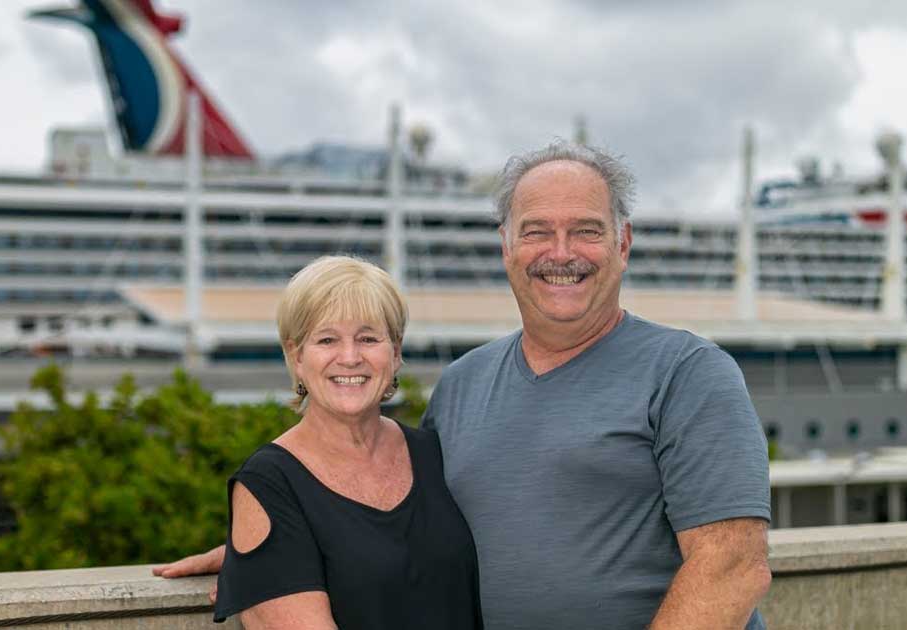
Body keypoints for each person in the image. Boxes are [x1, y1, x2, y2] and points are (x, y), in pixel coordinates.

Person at [156, 141, 771, 629]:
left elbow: (732, 568)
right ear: (506, 246)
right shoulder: (464, 384)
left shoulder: (688, 372)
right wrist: (268, 544)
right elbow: (395, 511)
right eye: (536, 231)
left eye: (585, 229)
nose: (561, 252)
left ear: (623, 243)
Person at [204, 255, 483, 629]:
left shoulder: (435, 452)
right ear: (296, 356)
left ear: (395, 353)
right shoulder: (269, 485)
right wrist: (257, 562)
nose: (350, 358)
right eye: (327, 339)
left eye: (368, 338)